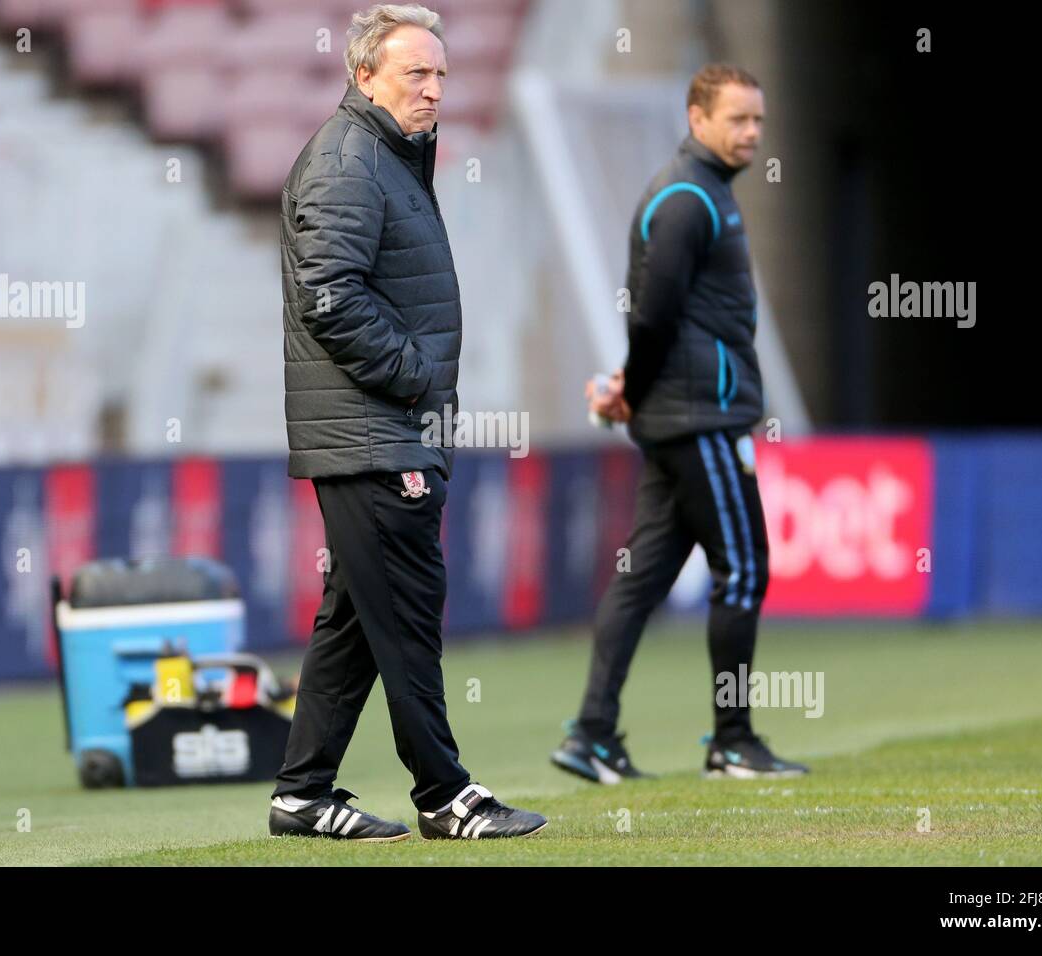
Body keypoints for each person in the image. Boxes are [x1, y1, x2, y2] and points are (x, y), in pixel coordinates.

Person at [269, 3, 547, 841]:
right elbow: (332, 297)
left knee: (357, 619)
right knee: (409, 614)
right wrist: (416, 379)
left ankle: (302, 794)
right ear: (363, 75)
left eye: (441, 75)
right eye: (415, 74)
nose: (435, 91)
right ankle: (445, 795)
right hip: (373, 430)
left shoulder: (388, 154)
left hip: (385, 427)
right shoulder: (349, 161)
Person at [551, 64, 809, 783]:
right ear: (697, 120)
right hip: (698, 418)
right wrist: (630, 384)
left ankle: (591, 735)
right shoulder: (688, 198)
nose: (752, 133)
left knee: (640, 578)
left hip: (681, 413)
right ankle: (732, 742)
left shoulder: (707, 191)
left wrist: (633, 388)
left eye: (758, 120)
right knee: (744, 565)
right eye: (737, 120)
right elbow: (653, 312)